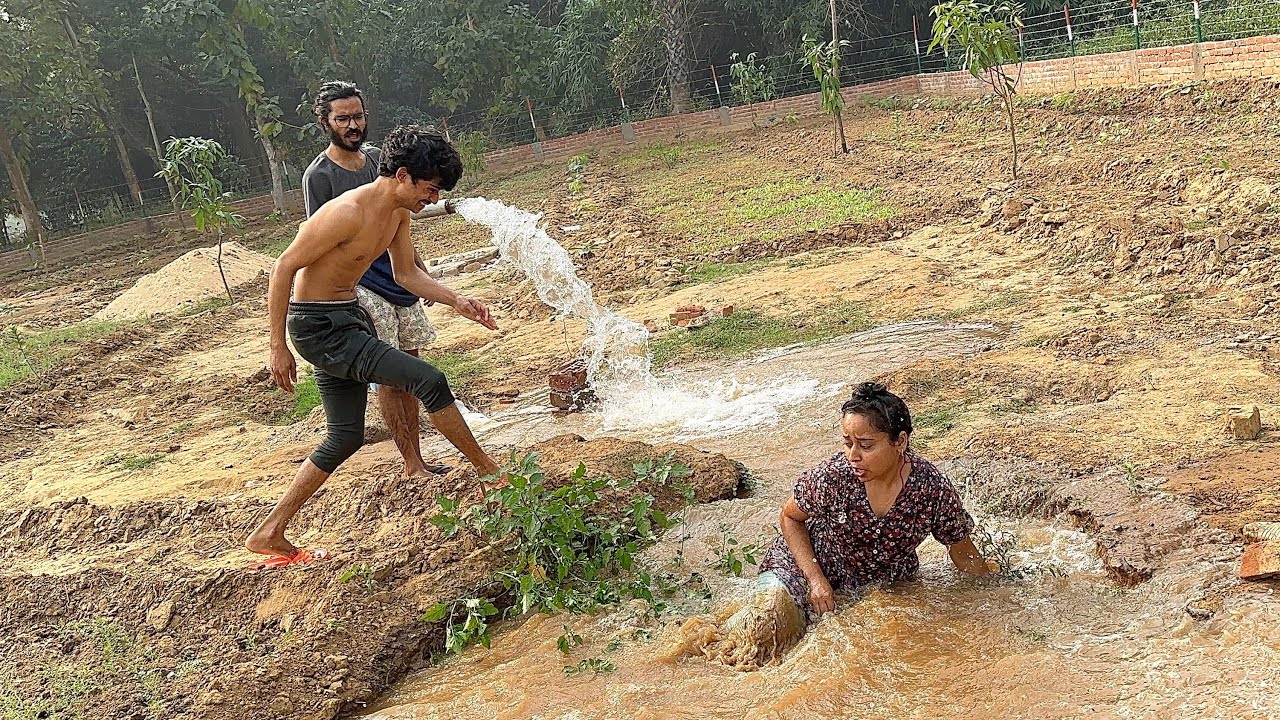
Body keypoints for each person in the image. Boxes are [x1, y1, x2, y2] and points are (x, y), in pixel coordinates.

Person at [246, 125, 504, 568]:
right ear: (402, 176)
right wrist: (277, 346)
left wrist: (457, 299)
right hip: (319, 328)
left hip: (349, 317)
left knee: (345, 436)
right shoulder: (345, 212)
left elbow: (407, 275)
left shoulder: (398, 215)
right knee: (429, 380)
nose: (430, 198)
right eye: (429, 188)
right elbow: (282, 267)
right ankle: (492, 473)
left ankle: (269, 531)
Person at [303, 80, 451, 478]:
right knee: (391, 375)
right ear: (325, 122)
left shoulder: (376, 162)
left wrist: (419, 271)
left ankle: (417, 454)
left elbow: (399, 220)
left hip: (399, 280)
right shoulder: (319, 177)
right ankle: (412, 463)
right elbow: (316, 244)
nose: (353, 125)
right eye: (343, 119)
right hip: (362, 286)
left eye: (358, 116)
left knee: (413, 364)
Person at [758, 381, 997, 617]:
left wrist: (994, 598)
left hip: (880, 583)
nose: (853, 456)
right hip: (802, 569)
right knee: (767, 620)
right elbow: (790, 516)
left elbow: (962, 550)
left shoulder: (931, 489)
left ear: (900, 441)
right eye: (848, 443)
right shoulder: (833, 477)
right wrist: (815, 579)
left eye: (866, 445)